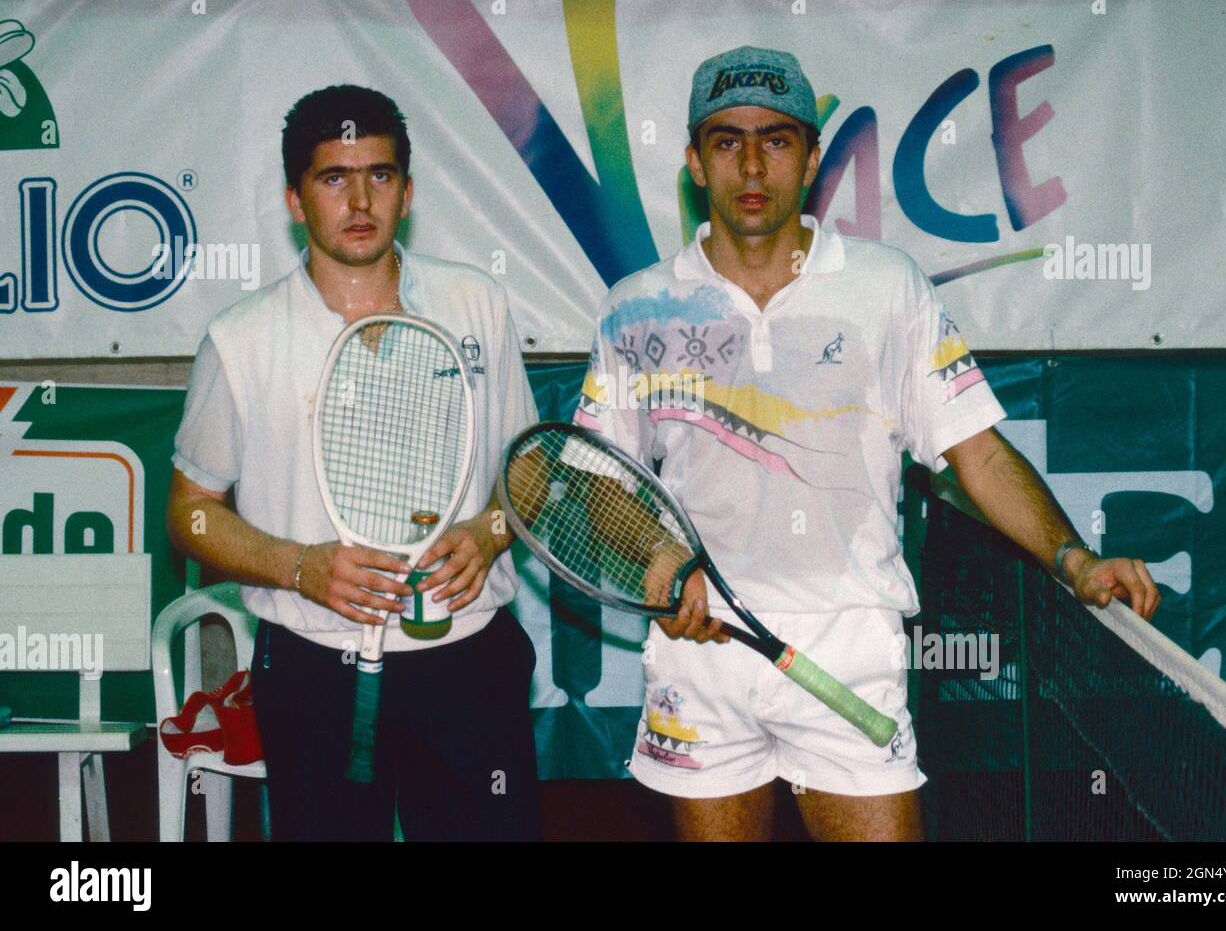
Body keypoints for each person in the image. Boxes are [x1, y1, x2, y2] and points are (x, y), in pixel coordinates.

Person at [576, 46, 1160, 842]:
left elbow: (977, 454)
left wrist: (1073, 559)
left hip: (850, 644)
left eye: (777, 140)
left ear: (812, 159)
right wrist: (652, 552)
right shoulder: (635, 308)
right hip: (702, 654)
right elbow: (598, 478)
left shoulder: (888, 287)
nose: (752, 163)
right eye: (727, 140)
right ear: (693, 161)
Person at [166, 85, 541, 841]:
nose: (360, 198)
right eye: (334, 178)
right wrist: (299, 565)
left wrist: (492, 530)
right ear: (296, 201)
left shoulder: (477, 306)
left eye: (380, 174)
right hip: (313, 669)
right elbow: (191, 512)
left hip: (468, 658)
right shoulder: (240, 339)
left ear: (407, 191)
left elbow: (527, 468)